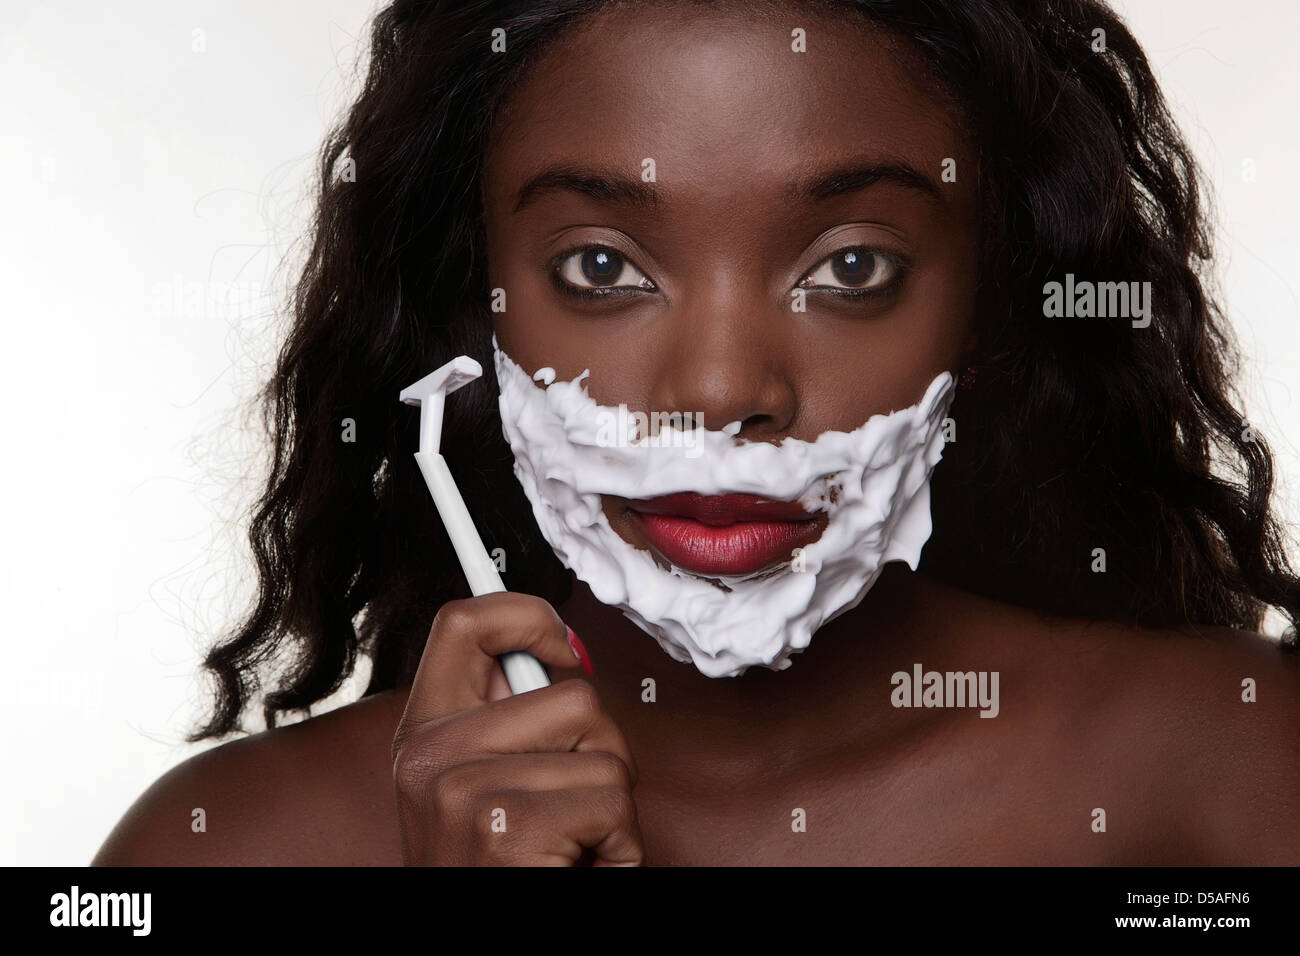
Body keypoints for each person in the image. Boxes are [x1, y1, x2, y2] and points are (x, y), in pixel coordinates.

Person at [93, 0, 1300, 866]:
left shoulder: (1240, 767)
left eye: (853, 267)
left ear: (982, 312)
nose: (722, 390)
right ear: (481, 318)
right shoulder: (227, 846)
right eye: (603, 265)